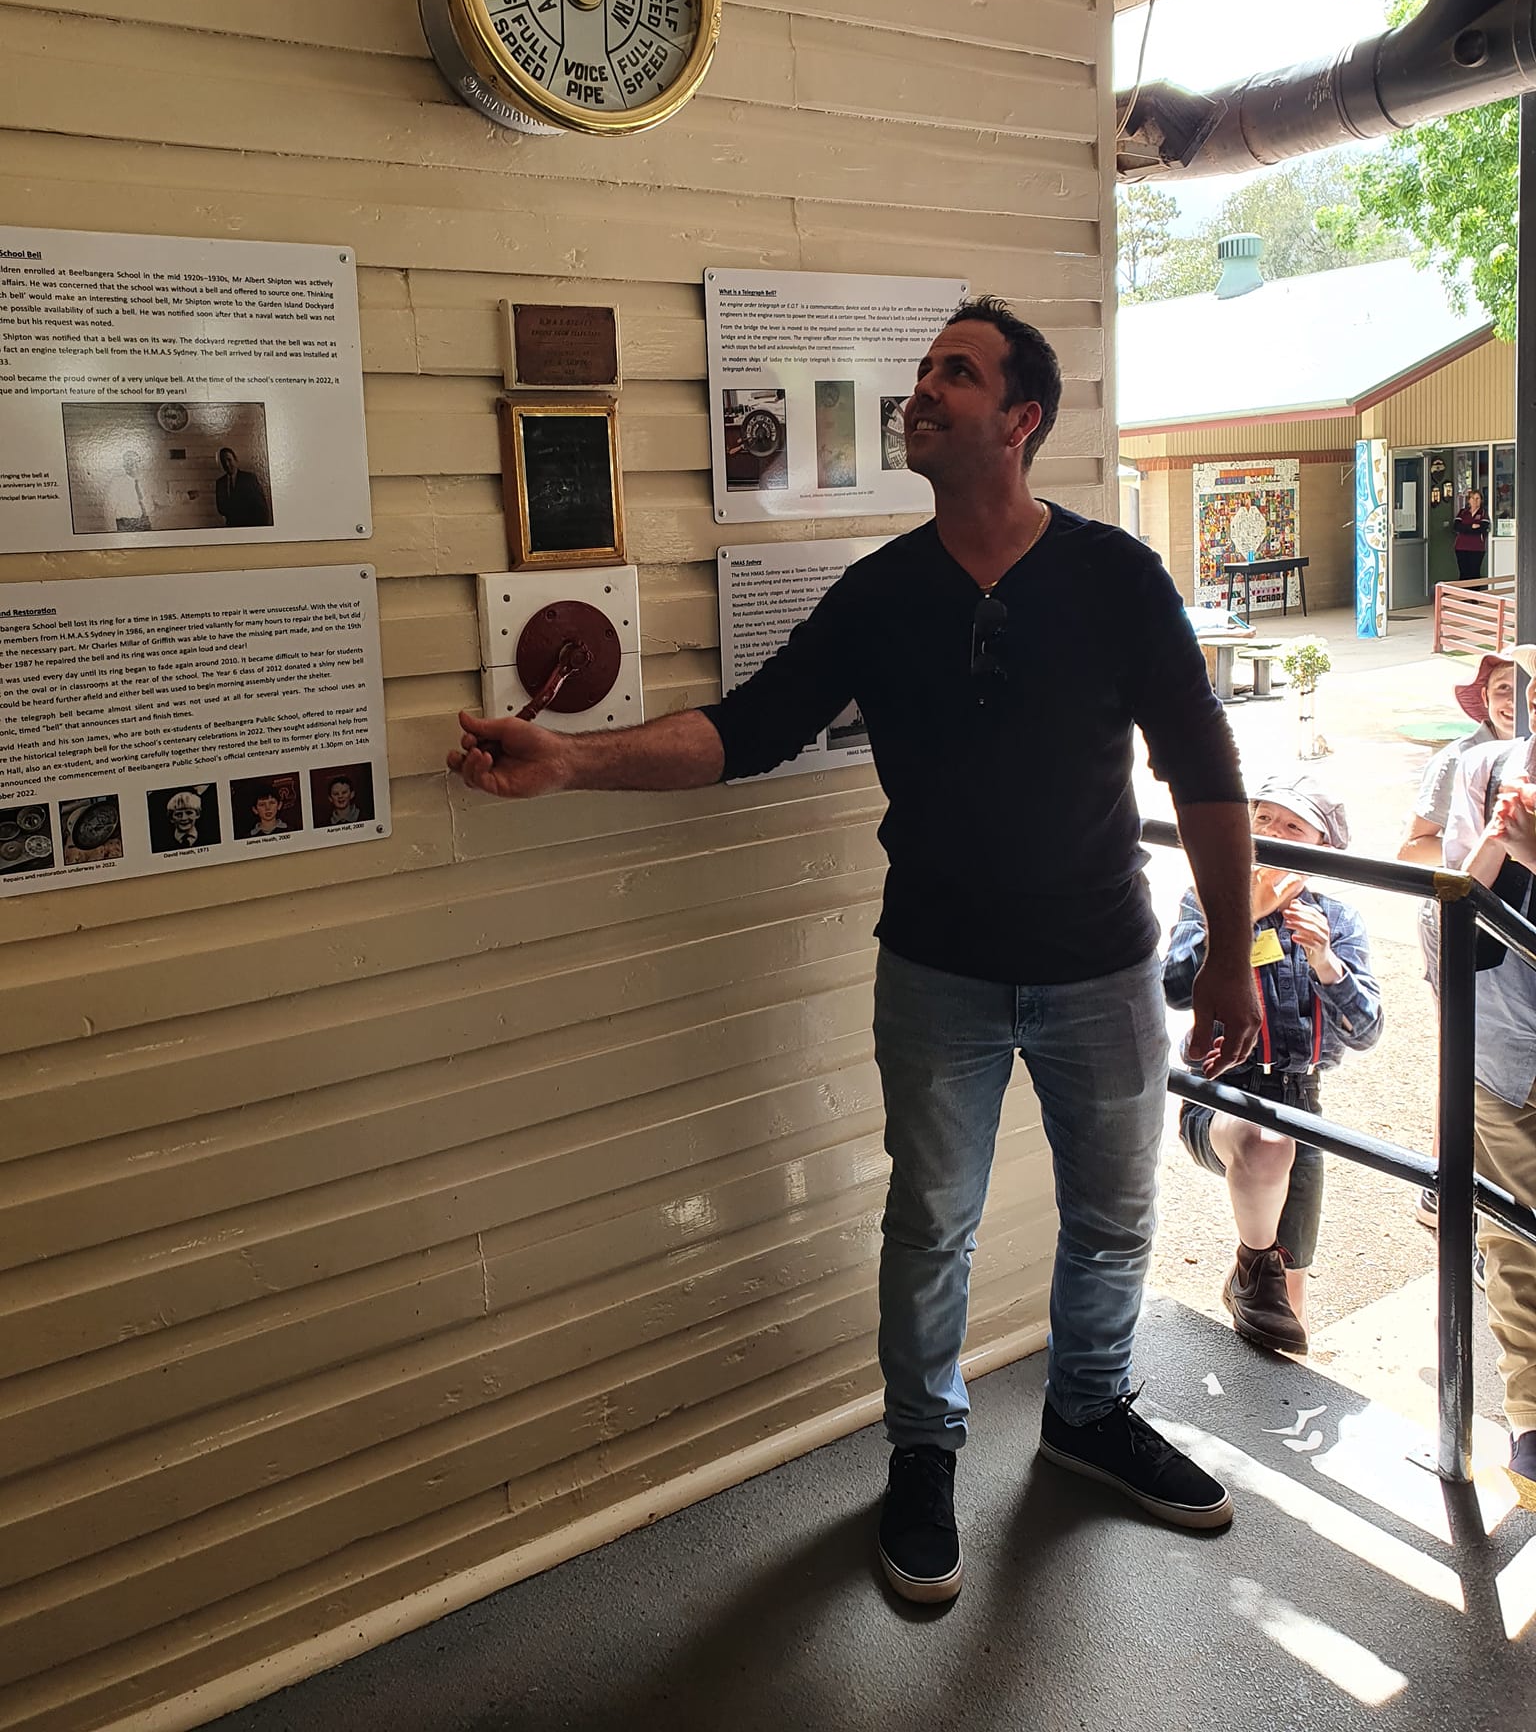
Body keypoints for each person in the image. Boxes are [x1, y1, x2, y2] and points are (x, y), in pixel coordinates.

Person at [448, 296, 1261, 1601]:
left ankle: (1089, 1415)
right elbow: (746, 729)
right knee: (931, 1225)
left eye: (957, 373)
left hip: (1104, 967)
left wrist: (1225, 955)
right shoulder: (882, 595)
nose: (923, 389)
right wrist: (571, 765)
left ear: (1022, 420)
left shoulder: (1115, 577)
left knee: (1114, 1219)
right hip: (936, 970)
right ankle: (925, 1457)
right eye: (923, 370)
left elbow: (1204, 767)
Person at [1165, 775, 1382, 1354]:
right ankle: (1247, 1271)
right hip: (1221, 1093)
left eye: (1293, 827)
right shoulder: (1208, 896)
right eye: (1263, 820)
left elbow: (1367, 1031)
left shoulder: (1336, 918)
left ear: (1322, 848)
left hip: (1301, 1095)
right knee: (1266, 1143)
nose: (1273, 835)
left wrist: (1327, 962)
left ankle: (1255, 1295)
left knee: (1287, 1305)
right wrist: (1240, 921)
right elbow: (1174, 987)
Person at [1444, 642, 1536, 1509]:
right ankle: (1530, 1416)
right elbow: (1451, 938)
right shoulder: (1483, 774)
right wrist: (1498, 852)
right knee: (1514, 1235)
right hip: (1508, 1051)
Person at [1398, 652, 1515, 1241]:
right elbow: (1410, 850)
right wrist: (1474, 849)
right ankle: (1444, 1187)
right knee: (1462, 1047)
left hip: (1517, 927)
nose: (1510, 697)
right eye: (1500, 687)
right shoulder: (1461, 762)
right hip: (1462, 924)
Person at [215, 446, 271, 527]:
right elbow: (221, 509)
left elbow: (261, 506)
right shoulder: (220, 483)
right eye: (224, 462)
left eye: (229, 460)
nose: (227, 464)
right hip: (231, 527)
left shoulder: (249, 478)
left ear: (236, 460)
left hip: (250, 525)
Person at [1453, 488, 1491, 581]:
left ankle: (1474, 594)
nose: (1475, 501)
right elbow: (1456, 527)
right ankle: (1463, 594)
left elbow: (1482, 528)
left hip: (1476, 548)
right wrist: (1471, 526)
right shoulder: (1462, 512)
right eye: (1472, 498)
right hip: (1461, 547)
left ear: (1481, 500)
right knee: (1463, 573)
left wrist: (1465, 528)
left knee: (1474, 572)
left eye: (1477, 498)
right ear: (1469, 500)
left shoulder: (1484, 513)